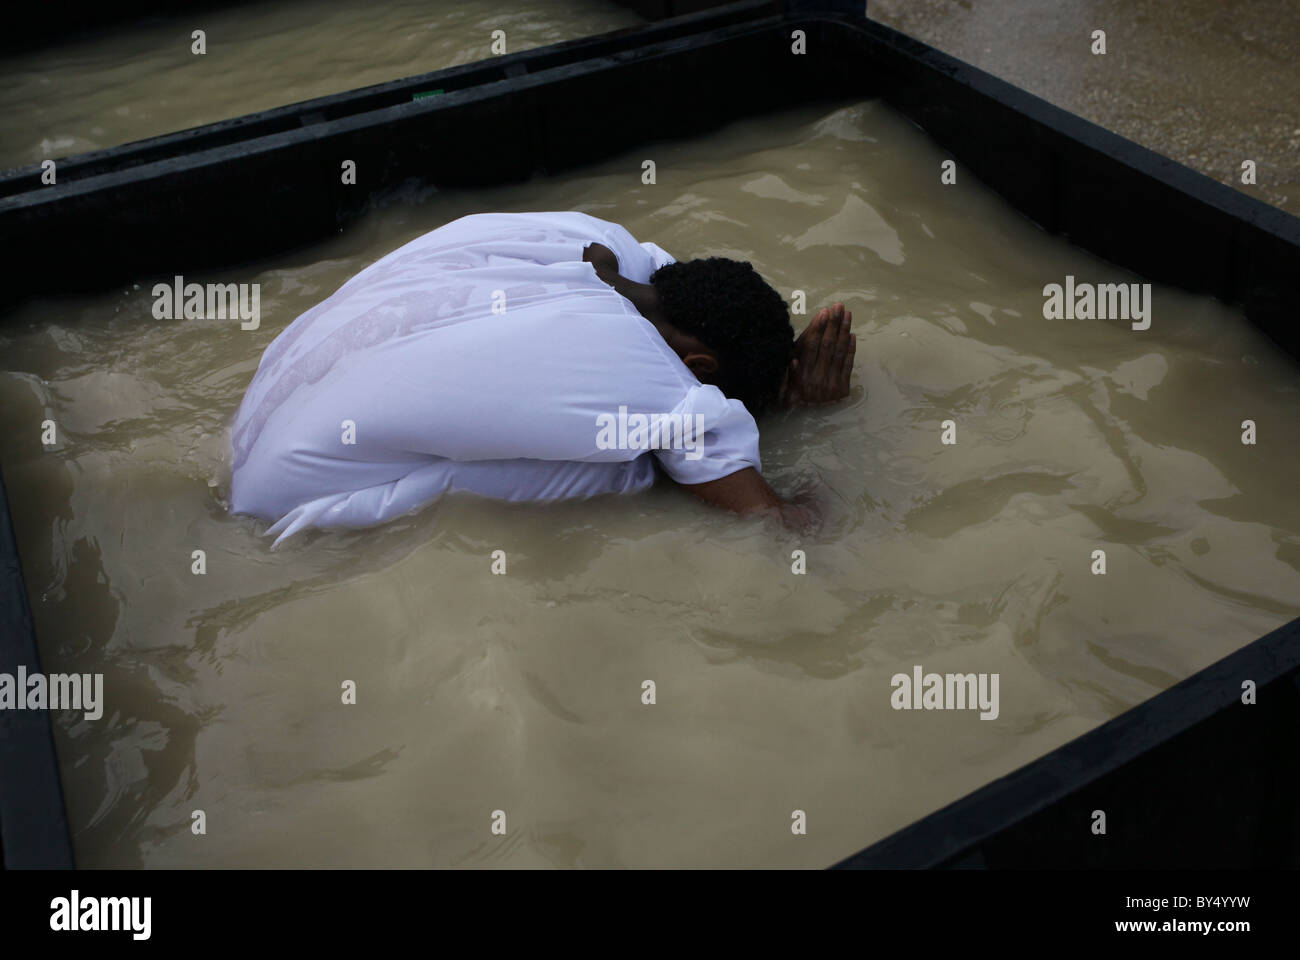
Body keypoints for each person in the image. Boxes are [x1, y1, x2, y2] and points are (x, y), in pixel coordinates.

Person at [229, 211, 855, 547]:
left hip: (252, 422)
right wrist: (811, 416)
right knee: (637, 467)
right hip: (280, 510)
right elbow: (779, 527)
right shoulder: (659, 388)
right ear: (699, 371)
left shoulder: (595, 240)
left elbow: (670, 269)